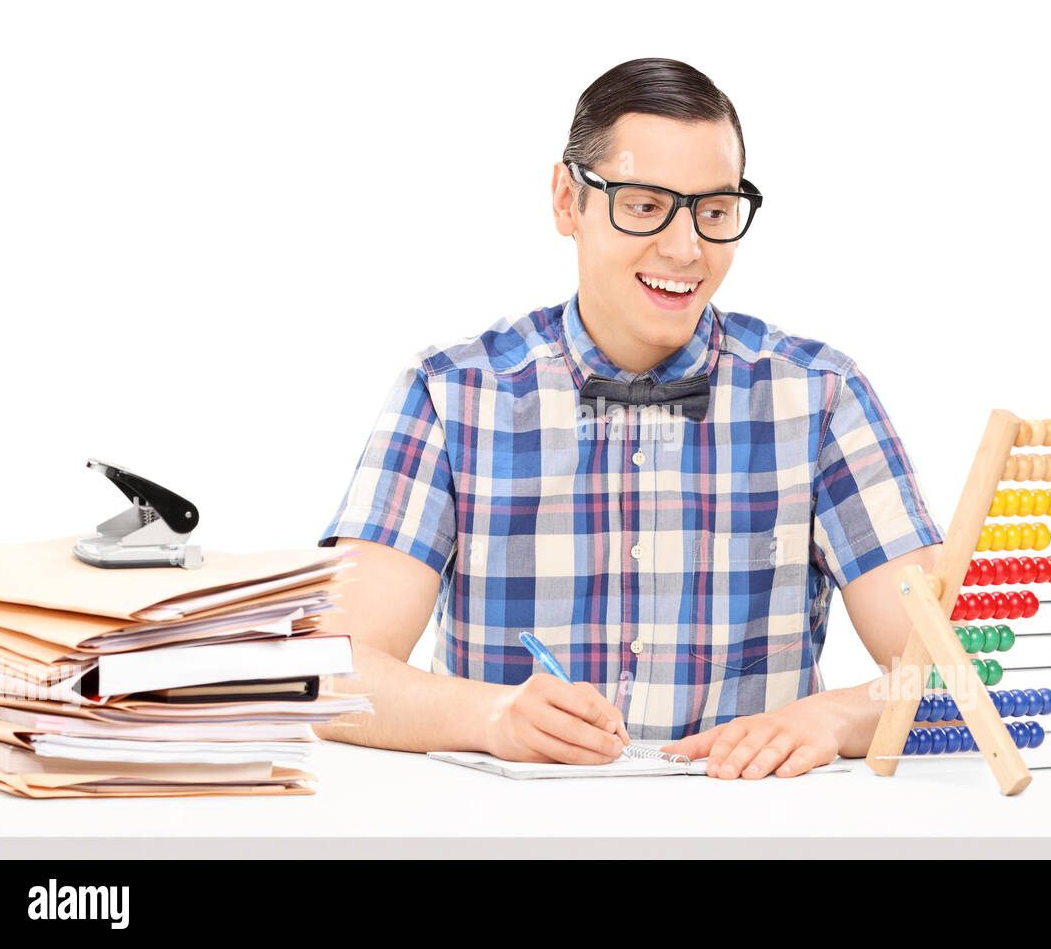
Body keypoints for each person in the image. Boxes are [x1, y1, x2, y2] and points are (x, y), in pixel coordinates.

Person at [315, 57, 944, 779]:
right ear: (565, 201)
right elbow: (330, 672)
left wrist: (834, 716)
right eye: (644, 205)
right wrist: (490, 717)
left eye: (714, 211)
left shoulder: (822, 397)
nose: (685, 249)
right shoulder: (452, 396)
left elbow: (953, 672)